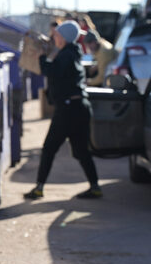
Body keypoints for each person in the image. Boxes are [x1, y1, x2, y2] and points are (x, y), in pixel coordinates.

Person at [24, 20, 102, 200]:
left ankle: (38, 189)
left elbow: (52, 71)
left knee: (49, 148)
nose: (54, 38)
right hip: (78, 107)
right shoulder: (72, 52)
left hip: (68, 110)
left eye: (57, 35)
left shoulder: (66, 55)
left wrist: (42, 56)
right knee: (81, 151)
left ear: (64, 37)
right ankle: (95, 187)